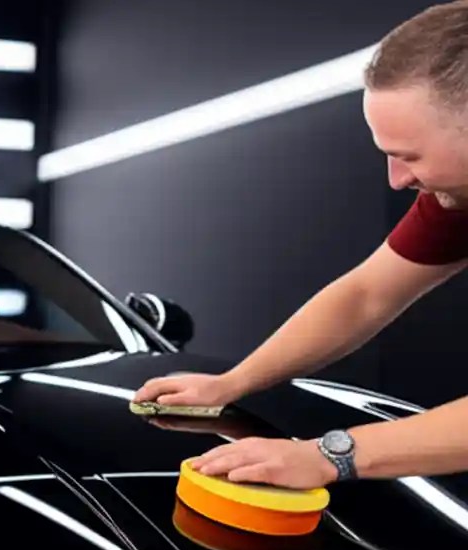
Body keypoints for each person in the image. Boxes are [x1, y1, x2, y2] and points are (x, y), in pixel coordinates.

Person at [133, 1, 468, 489]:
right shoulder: (457, 197)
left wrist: (333, 455)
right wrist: (232, 383)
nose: (397, 181)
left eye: (408, 156)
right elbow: (365, 295)